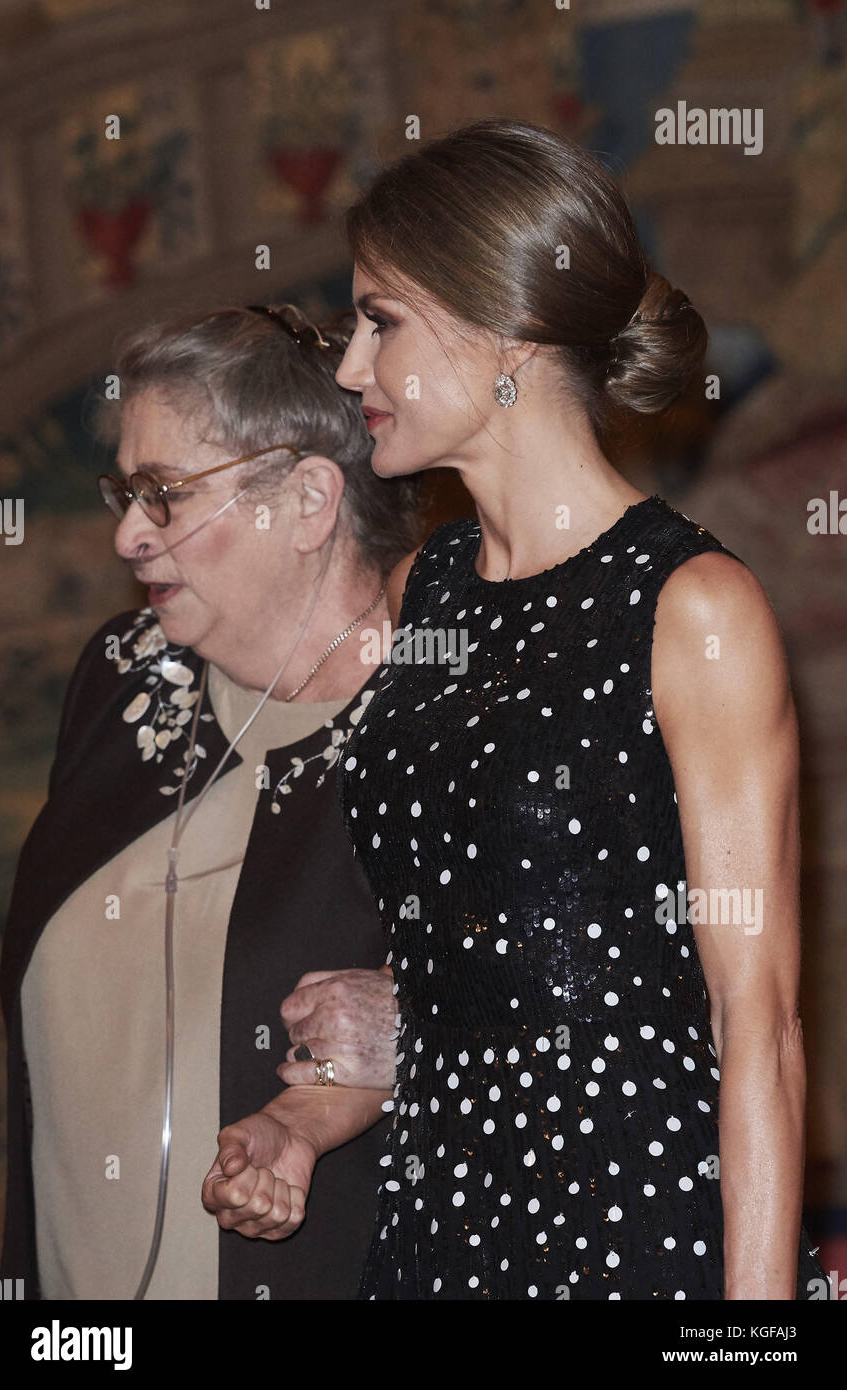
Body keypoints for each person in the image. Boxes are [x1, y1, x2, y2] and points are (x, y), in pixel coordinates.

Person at [201, 120, 830, 1301]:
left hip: (635, 1225)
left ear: (497, 331)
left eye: (379, 320)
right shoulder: (420, 590)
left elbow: (764, 1024)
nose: (350, 369)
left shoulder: (691, 607)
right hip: (438, 1216)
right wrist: (312, 1114)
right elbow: (453, 958)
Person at [0, 302, 424, 1300]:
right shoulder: (118, 674)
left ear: (310, 500)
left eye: (165, 495)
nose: (127, 536)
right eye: (123, 491)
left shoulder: (438, 722)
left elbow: (589, 1010)